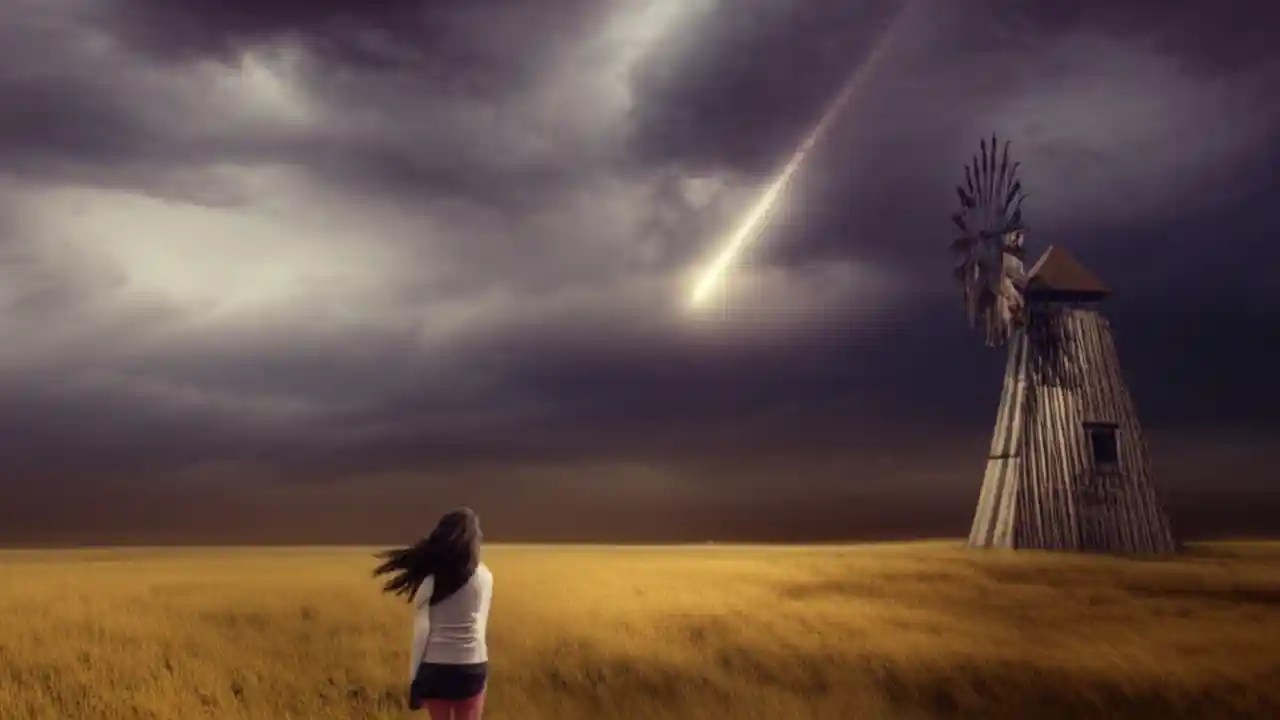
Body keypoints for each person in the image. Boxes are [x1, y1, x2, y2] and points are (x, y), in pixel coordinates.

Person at [374, 507, 493, 719]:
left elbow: (421, 633)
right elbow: (480, 626)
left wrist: (414, 679)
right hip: (473, 666)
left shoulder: (429, 581)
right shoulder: (485, 576)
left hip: (436, 669)